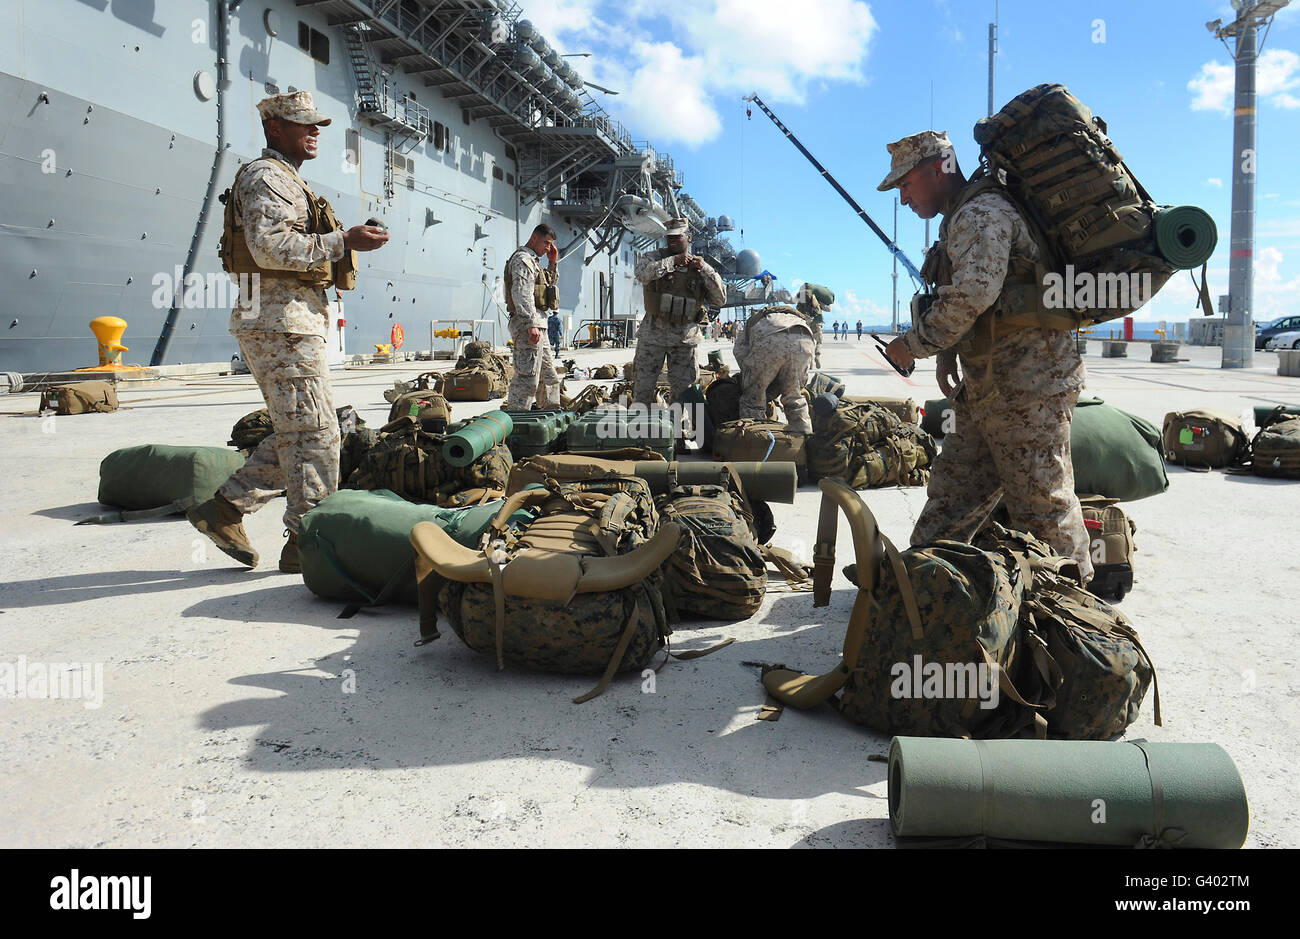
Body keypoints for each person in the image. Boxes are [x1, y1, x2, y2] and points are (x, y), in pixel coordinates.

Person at [877, 130, 1092, 582]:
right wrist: (946, 354)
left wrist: (912, 345)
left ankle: (1074, 614)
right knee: (953, 489)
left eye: (906, 185)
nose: (903, 199)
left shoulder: (980, 213)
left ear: (939, 170)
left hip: (1031, 386)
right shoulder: (961, 216)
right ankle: (924, 582)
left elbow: (972, 296)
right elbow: (976, 300)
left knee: (1043, 507)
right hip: (989, 386)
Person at [188, 91, 388, 573]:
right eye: (303, 124)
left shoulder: (287, 179)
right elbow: (268, 248)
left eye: (317, 123)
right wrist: (345, 240)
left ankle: (227, 508)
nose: (314, 131)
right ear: (275, 128)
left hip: (290, 322)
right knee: (317, 433)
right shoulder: (267, 176)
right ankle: (310, 541)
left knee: (301, 429)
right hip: (280, 325)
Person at [632, 217, 726, 405]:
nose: (672, 241)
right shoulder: (654, 258)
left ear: (689, 237)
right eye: (669, 238)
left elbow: (720, 299)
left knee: (684, 392)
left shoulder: (700, 267)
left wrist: (704, 269)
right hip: (653, 337)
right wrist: (672, 261)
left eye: (678, 237)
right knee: (642, 387)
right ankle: (641, 429)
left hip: (684, 340)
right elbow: (642, 273)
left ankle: (676, 430)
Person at [733, 304, 816, 434]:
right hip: (804, 339)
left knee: (752, 399)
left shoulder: (755, 321)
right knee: (795, 396)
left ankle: (755, 441)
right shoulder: (794, 317)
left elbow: (740, 352)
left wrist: (753, 379)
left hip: (769, 338)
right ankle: (803, 440)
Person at [504, 224, 562, 410]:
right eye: (546, 243)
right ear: (534, 238)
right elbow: (521, 292)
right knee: (527, 377)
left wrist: (552, 263)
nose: (548, 248)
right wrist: (530, 324)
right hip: (528, 325)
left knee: (549, 376)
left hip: (538, 324)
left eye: (550, 244)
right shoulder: (523, 260)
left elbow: (547, 286)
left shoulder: (535, 262)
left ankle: (552, 414)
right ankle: (517, 419)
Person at [796, 287, 824, 368]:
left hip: (805, 325)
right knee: (819, 341)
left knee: (808, 343)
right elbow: (828, 308)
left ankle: (810, 362)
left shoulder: (801, 303)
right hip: (816, 325)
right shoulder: (816, 301)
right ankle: (817, 355)